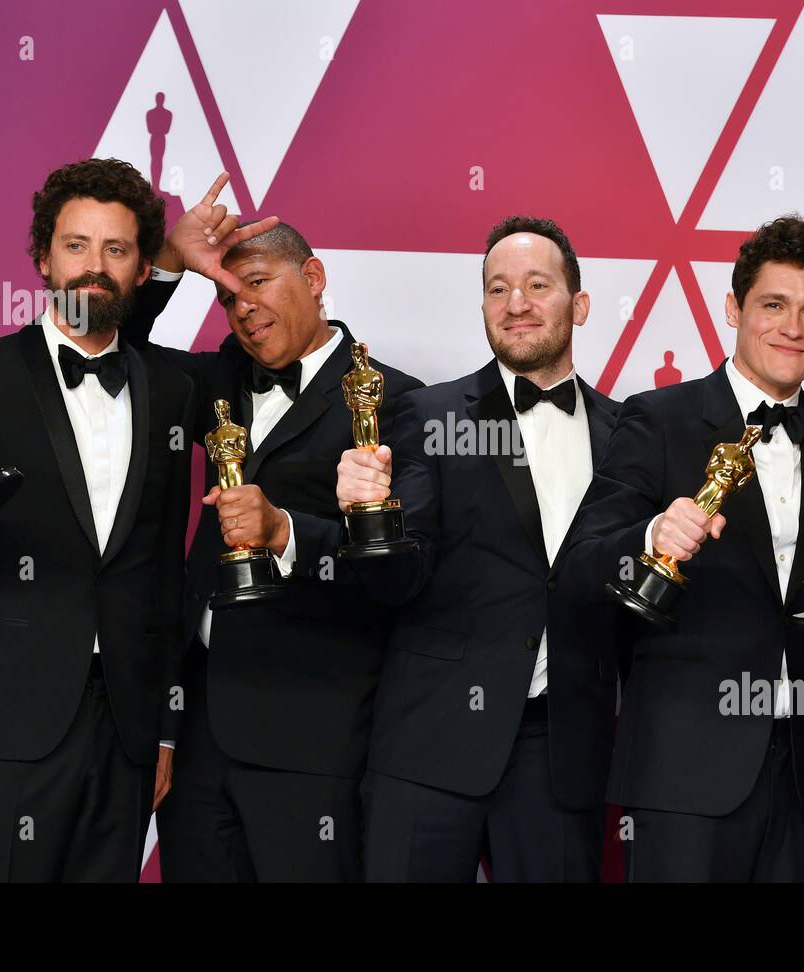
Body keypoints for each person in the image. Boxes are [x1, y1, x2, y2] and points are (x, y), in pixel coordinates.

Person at [0, 157, 197, 881]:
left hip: (125, 729)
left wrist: (164, 728)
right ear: (43, 257)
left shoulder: (173, 386)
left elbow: (163, 572)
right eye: (76, 245)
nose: (95, 267)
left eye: (116, 249)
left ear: (138, 269)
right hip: (5, 723)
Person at [124, 176, 422, 881]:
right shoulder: (215, 380)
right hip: (196, 737)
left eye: (256, 282)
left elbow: (398, 574)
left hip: (314, 740)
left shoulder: (398, 401)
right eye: (227, 297)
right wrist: (169, 259)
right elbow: (114, 348)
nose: (243, 310)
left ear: (314, 277)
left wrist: (286, 530)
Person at [561, 215, 804, 881]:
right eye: (773, 305)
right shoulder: (658, 419)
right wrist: (649, 537)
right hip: (684, 776)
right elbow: (579, 566)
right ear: (733, 308)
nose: (793, 328)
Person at [336, 215, 620, 881]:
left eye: (536, 285)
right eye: (498, 289)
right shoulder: (432, 417)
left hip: (561, 755)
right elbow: (396, 580)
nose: (516, 304)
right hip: (430, 746)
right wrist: (368, 520)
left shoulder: (625, 433)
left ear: (578, 303)